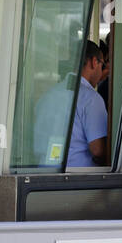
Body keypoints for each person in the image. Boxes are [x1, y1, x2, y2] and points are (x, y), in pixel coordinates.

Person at [35, 40, 108, 168]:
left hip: (42, 176)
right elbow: (98, 150)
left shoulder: (47, 95)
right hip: (77, 180)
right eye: (102, 65)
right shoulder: (91, 98)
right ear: (94, 62)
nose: (101, 73)